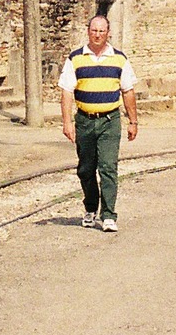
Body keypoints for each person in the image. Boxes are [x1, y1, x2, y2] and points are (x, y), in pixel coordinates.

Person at [59, 14, 138, 232]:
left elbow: (128, 91)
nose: (97, 35)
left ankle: (109, 214)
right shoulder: (75, 59)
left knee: (108, 167)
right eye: (94, 30)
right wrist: (67, 122)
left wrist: (133, 121)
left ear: (108, 33)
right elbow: (66, 92)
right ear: (88, 32)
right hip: (84, 120)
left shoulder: (119, 59)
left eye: (102, 31)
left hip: (109, 121)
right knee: (86, 169)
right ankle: (91, 207)